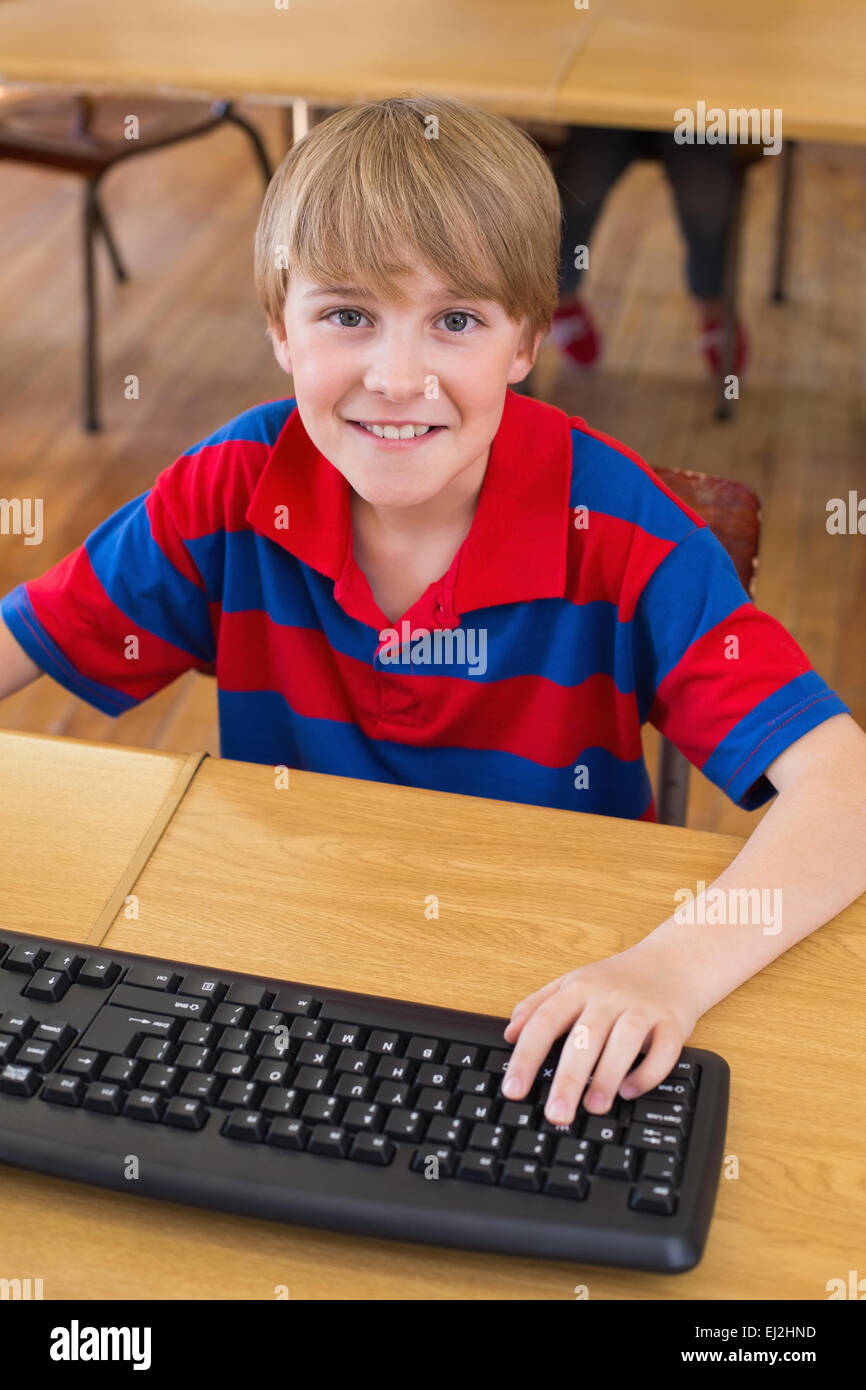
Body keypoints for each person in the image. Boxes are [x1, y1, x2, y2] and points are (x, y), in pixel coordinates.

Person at [1, 96, 864, 1128]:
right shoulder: (235, 483)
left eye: (454, 320)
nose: (397, 378)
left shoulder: (617, 524)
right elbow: (21, 638)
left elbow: (842, 789)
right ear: (281, 329)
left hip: (545, 992)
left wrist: (667, 971)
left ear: (522, 342)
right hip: (288, 969)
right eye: (347, 315)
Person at [546, 123, 748, 376]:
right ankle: (560, 296)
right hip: (610, 104)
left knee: (705, 191)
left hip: (694, 109)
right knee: (579, 181)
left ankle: (714, 303)